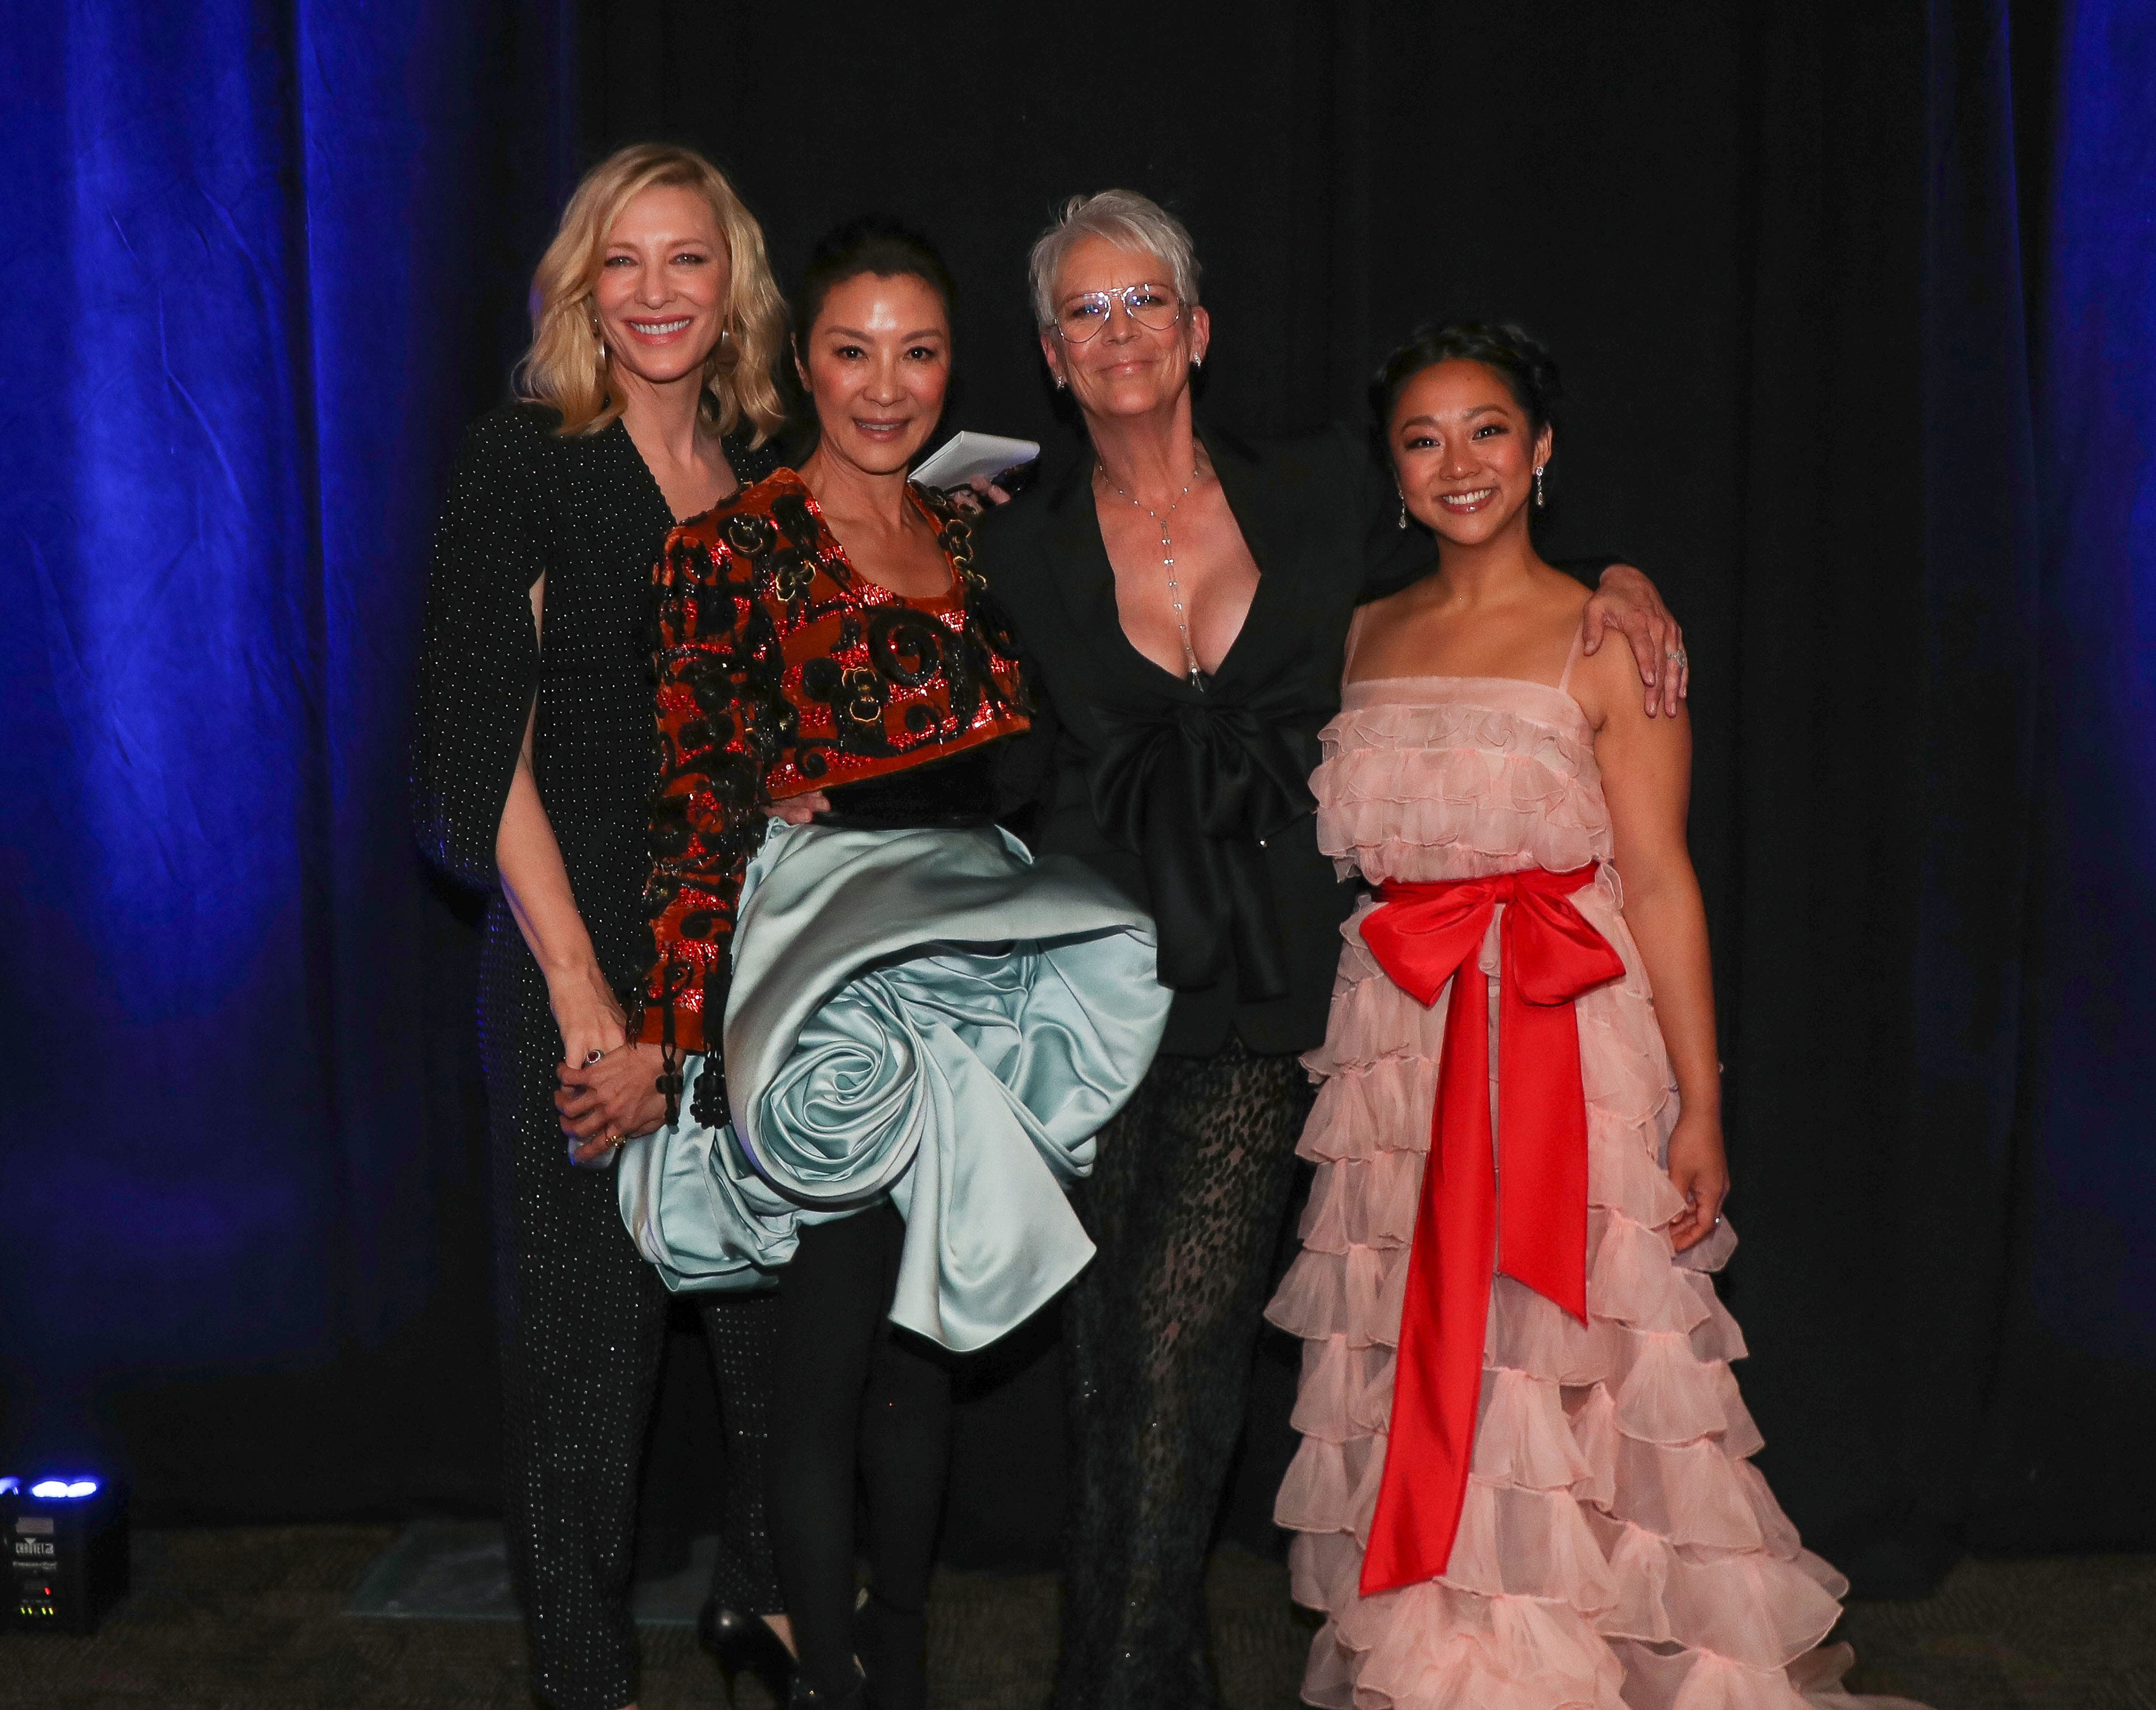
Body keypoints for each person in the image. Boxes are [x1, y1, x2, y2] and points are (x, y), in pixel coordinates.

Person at [985, 191, 1689, 1710]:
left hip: (1269, 991)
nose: (1121, 334)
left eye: (1146, 302)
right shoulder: (1018, 543)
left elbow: (1479, 545)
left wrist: (1622, 576)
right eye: (1088, 313)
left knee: (1177, 1359)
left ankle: (1105, 1688)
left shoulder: (1303, 491)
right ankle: (1145, 1673)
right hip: (1093, 999)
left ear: (1198, 331)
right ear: (1052, 355)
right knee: (1110, 1375)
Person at [1267, 323, 1924, 1710]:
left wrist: (1701, 1100)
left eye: (1488, 429)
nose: (1460, 463)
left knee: (1573, 1356)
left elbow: (1664, 879)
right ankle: (1455, 1653)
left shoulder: (1612, 637)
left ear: (1542, 451)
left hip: (1568, 1035)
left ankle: (1580, 1655)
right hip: (1402, 1049)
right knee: (1424, 1353)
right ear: (1391, 472)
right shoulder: (1353, 631)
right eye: (1424, 438)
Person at [614, 217, 1171, 1710]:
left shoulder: (977, 530)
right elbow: (693, 809)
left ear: (952, 365)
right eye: (852, 350)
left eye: (916, 350)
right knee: (830, 1348)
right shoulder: (728, 547)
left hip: (974, 959)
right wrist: (677, 1045)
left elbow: (1035, 753)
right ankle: (827, 1668)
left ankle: (892, 1661)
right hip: (827, 973)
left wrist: (878, 791)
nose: (884, 384)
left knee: (926, 1341)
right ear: (800, 360)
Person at [411, 143, 797, 1710]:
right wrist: (588, 995)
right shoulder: (526, 460)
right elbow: (467, 742)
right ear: (582, 286)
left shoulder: (763, 477)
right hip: (585, 971)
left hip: (756, 974)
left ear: (733, 285)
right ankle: (585, 1679)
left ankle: (768, 1626)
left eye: (685, 259)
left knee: (778, 1349)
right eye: (621, 262)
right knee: (591, 1370)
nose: (654, 293)